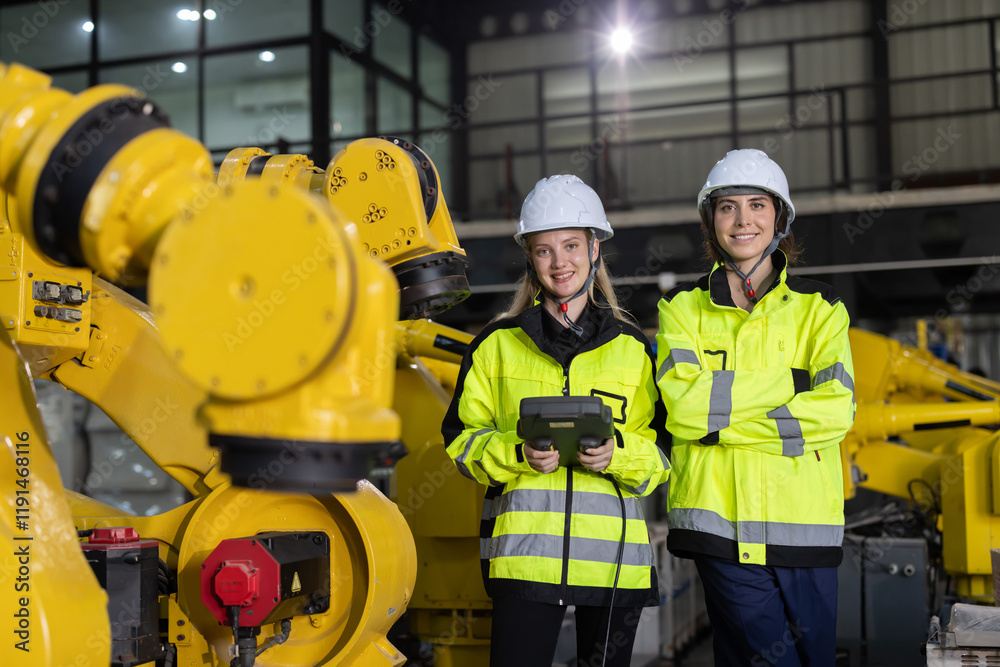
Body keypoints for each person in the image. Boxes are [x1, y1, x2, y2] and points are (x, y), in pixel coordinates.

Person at [442, 174, 670, 667]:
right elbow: (461, 442)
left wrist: (619, 454)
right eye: (544, 250)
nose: (559, 261)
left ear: (594, 251)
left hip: (614, 565)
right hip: (526, 559)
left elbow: (662, 454)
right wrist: (515, 454)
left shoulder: (632, 350)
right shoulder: (497, 346)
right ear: (530, 259)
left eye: (570, 245)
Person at [655, 149, 856, 666]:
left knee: (809, 660)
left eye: (757, 205)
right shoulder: (682, 310)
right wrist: (789, 384)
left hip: (804, 525)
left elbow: (835, 411)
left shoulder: (822, 310)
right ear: (711, 222)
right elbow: (683, 408)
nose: (743, 220)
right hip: (719, 528)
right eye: (727, 207)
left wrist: (721, 428)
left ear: (779, 218)